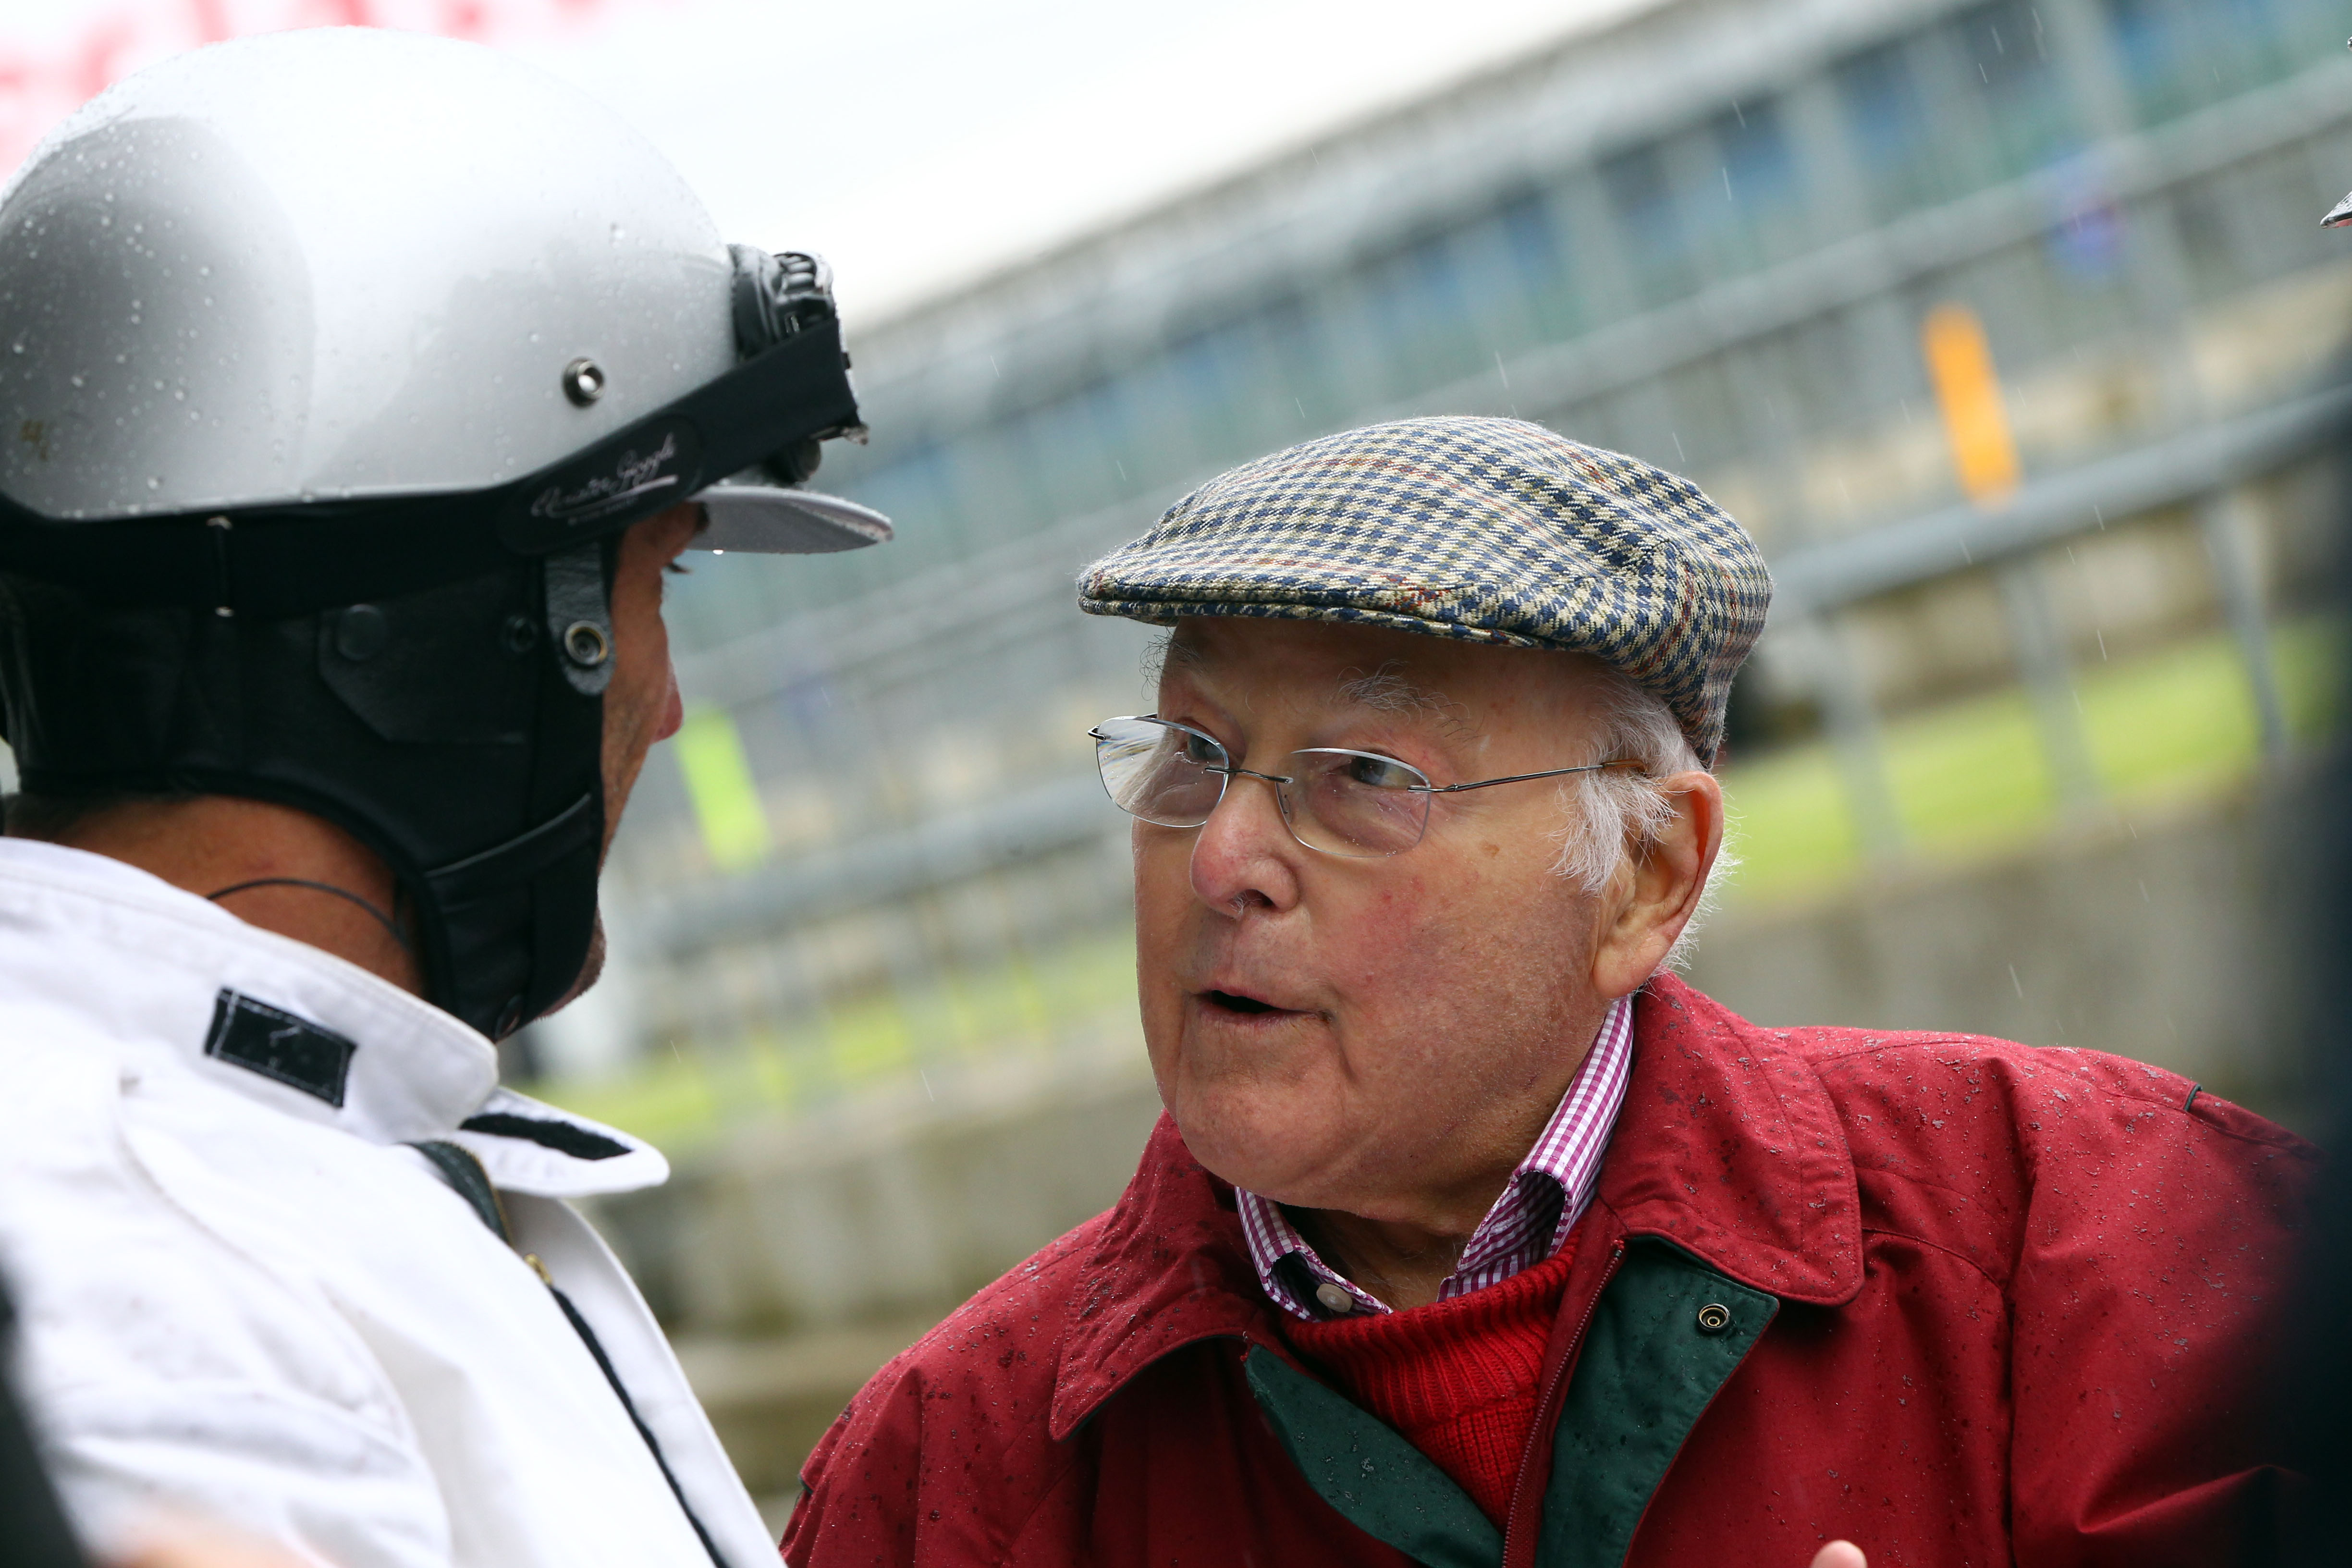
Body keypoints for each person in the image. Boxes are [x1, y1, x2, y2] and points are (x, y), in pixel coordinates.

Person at [783, 417, 2312, 1568]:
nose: (1224, 858)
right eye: (1190, 756)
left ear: (1649, 874)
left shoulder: (2096, 1240)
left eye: (1364, 777)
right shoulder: (947, 1481)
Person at [0, 27, 889, 1568]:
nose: (667, 706)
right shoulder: (156, 1268)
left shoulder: (259, 1144)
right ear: (453, 649)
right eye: (658, 579)